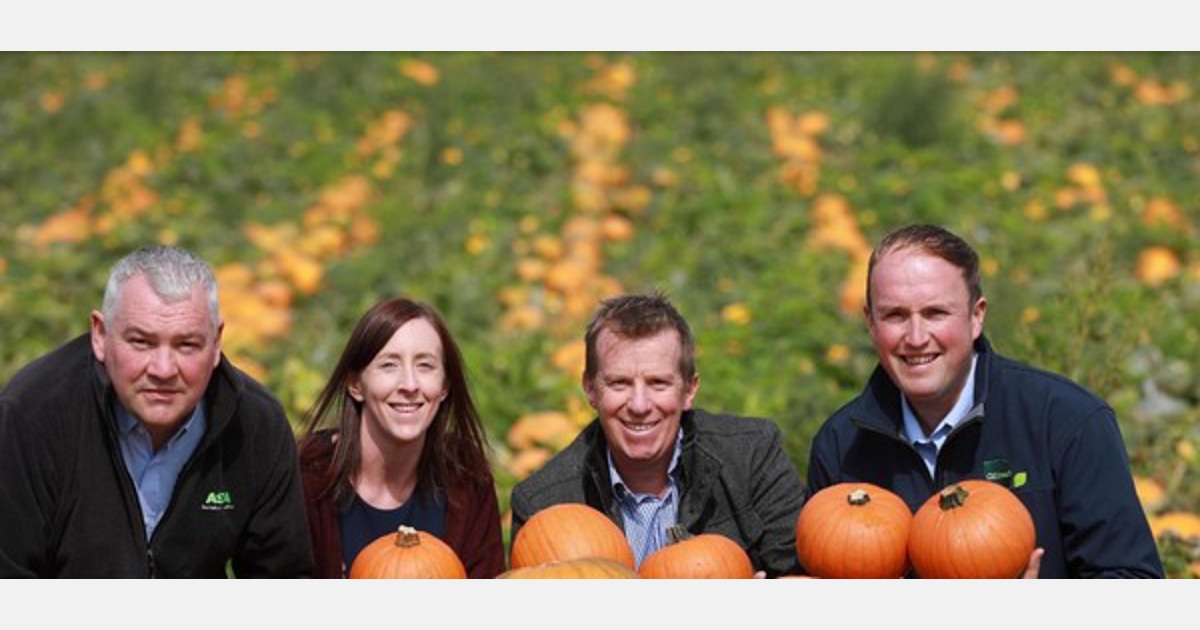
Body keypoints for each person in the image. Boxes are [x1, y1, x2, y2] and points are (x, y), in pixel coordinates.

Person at [806, 224, 1164, 578]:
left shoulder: (1067, 421)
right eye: (895, 315)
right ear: (871, 323)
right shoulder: (841, 446)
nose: (915, 338)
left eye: (935, 313)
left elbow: (1134, 586)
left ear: (976, 316)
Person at [0, 245, 313, 577]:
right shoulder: (31, 417)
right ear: (100, 335)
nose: (163, 369)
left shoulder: (256, 425)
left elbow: (281, 584)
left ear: (216, 342)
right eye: (141, 342)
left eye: (186, 345)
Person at [509, 292, 805, 576]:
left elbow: (804, 572)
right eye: (619, 383)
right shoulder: (542, 503)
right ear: (590, 389)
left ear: (689, 390)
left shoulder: (752, 456)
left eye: (658, 383)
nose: (639, 405)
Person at [298, 296, 504, 578]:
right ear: (355, 384)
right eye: (389, 365)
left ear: (444, 386)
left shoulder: (467, 478)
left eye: (425, 366)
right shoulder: (307, 478)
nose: (409, 385)